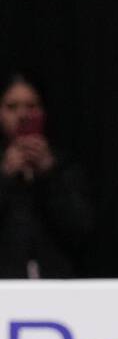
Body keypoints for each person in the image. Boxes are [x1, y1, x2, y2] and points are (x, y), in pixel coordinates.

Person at [0, 70, 94, 278]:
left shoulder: (64, 166)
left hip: (55, 283)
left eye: (31, 107)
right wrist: (5, 176)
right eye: (12, 107)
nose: (22, 115)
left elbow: (81, 229)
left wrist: (49, 175)